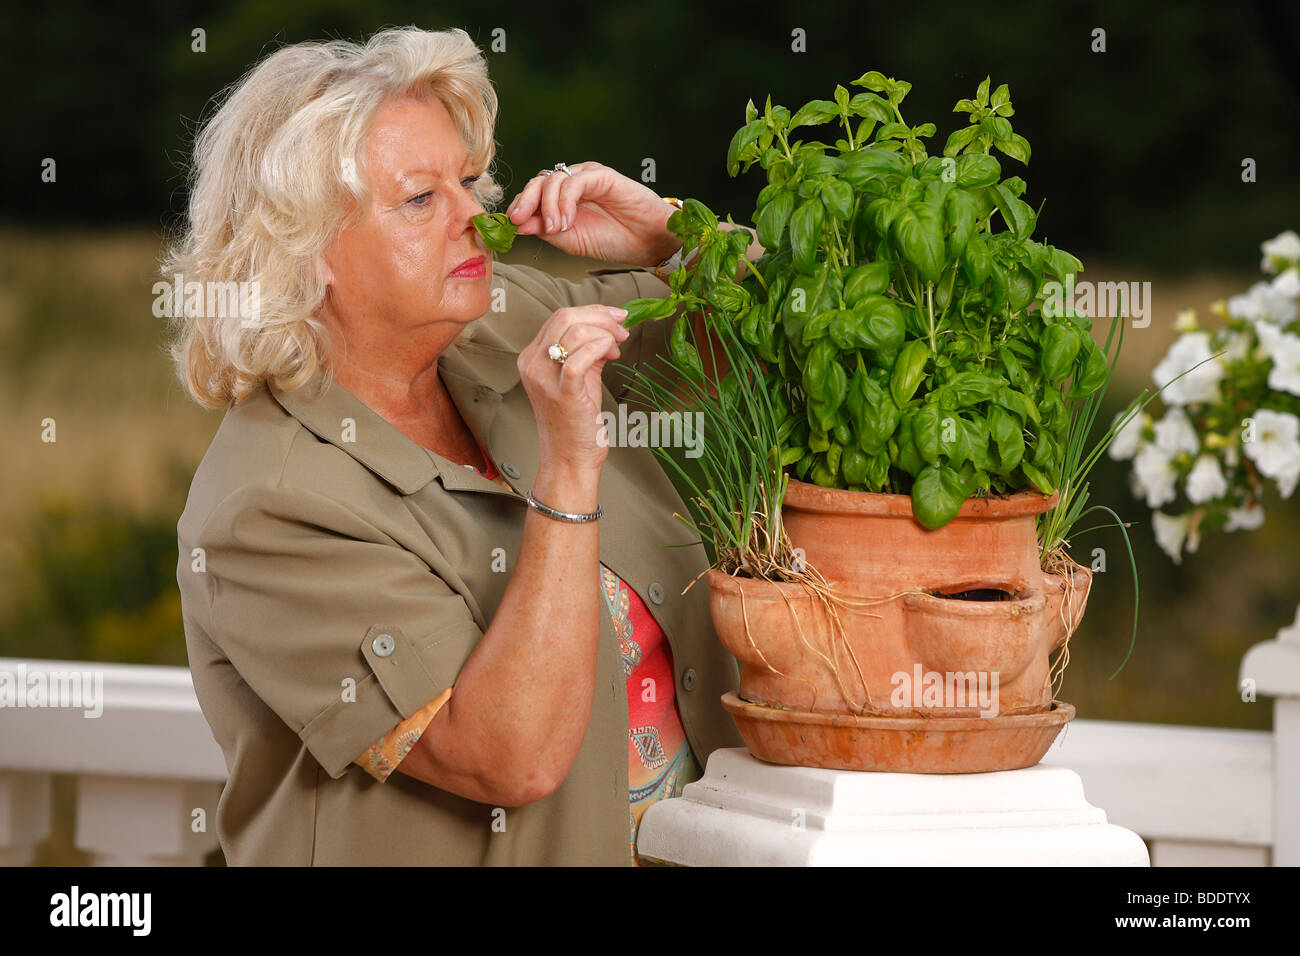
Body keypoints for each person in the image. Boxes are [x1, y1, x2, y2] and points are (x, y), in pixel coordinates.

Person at [168, 25, 762, 865]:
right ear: (304, 246)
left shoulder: (501, 320)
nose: (474, 217)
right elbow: (509, 756)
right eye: (421, 199)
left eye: (471, 181)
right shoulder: (266, 507)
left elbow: (775, 339)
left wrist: (675, 240)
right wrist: (568, 471)